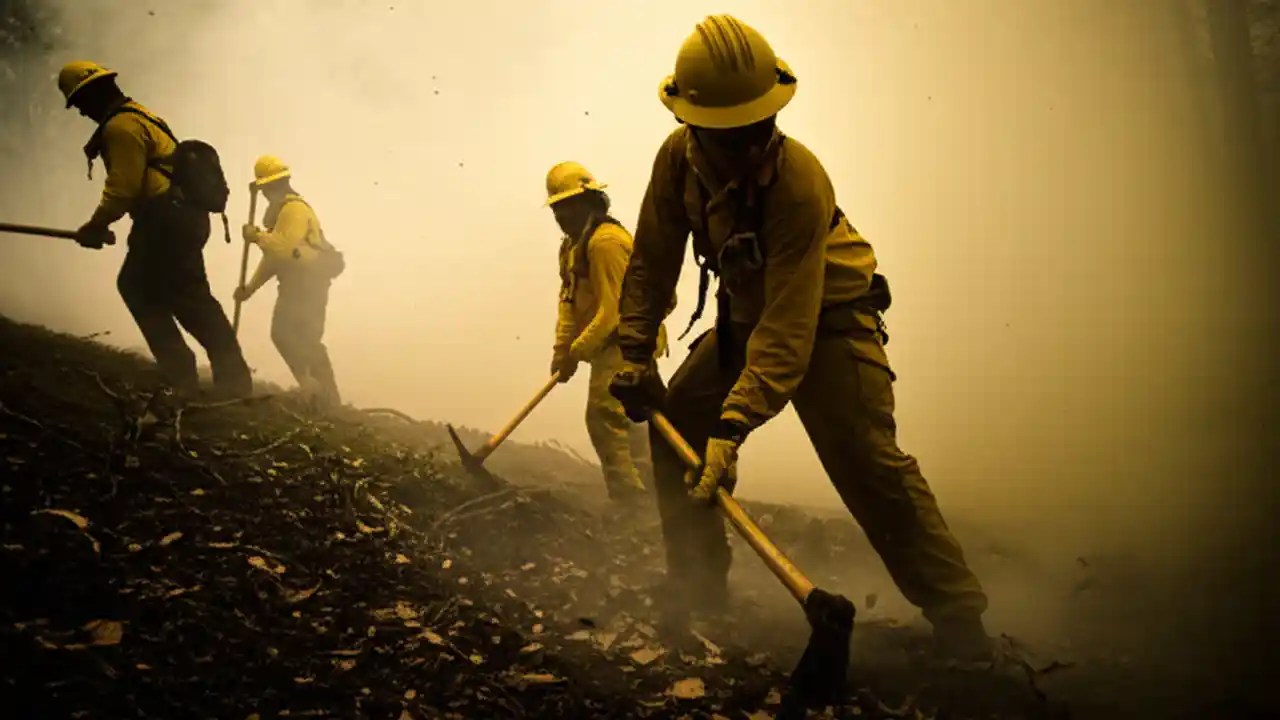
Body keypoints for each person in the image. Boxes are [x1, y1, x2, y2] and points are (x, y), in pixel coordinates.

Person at [608, 15, 992, 660]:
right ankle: (699, 592)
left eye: (760, 127)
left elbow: (790, 327)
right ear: (692, 126)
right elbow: (650, 259)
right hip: (747, 316)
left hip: (833, 320)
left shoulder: (800, 184)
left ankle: (961, 622)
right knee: (677, 422)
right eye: (730, 136)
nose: (750, 146)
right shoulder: (677, 163)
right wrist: (636, 352)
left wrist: (733, 428)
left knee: (868, 464)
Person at [59, 60, 251, 399]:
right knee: (181, 294)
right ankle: (224, 381)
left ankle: (187, 378)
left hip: (166, 220)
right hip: (182, 217)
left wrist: (96, 226)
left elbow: (124, 187)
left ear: (91, 95)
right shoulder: (140, 114)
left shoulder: (121, 127)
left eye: (79, 103)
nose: (80, 112)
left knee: (150, 289)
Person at [545, 162, 670, 501]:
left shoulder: (606, 243)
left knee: (605, 416)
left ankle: (631, 498)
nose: (561, 215)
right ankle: (649, 493)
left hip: (629, 339)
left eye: (568, 206)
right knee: (629, 419)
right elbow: (569, 301)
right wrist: (562, 350)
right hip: (605, 341)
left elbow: (615, 311)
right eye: (556, 208)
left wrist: (577, 351)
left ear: (591, 202)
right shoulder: (572, 247)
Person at [235, 156, 344, 409]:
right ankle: (316, 393)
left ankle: (325, 399)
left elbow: (284, 250)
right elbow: (275, 259)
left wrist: (257, 236)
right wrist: (250, 289)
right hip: (297, 283)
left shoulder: (294, 209)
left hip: (310, 283)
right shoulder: (281, 210)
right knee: (288, 336)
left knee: (303, 338)